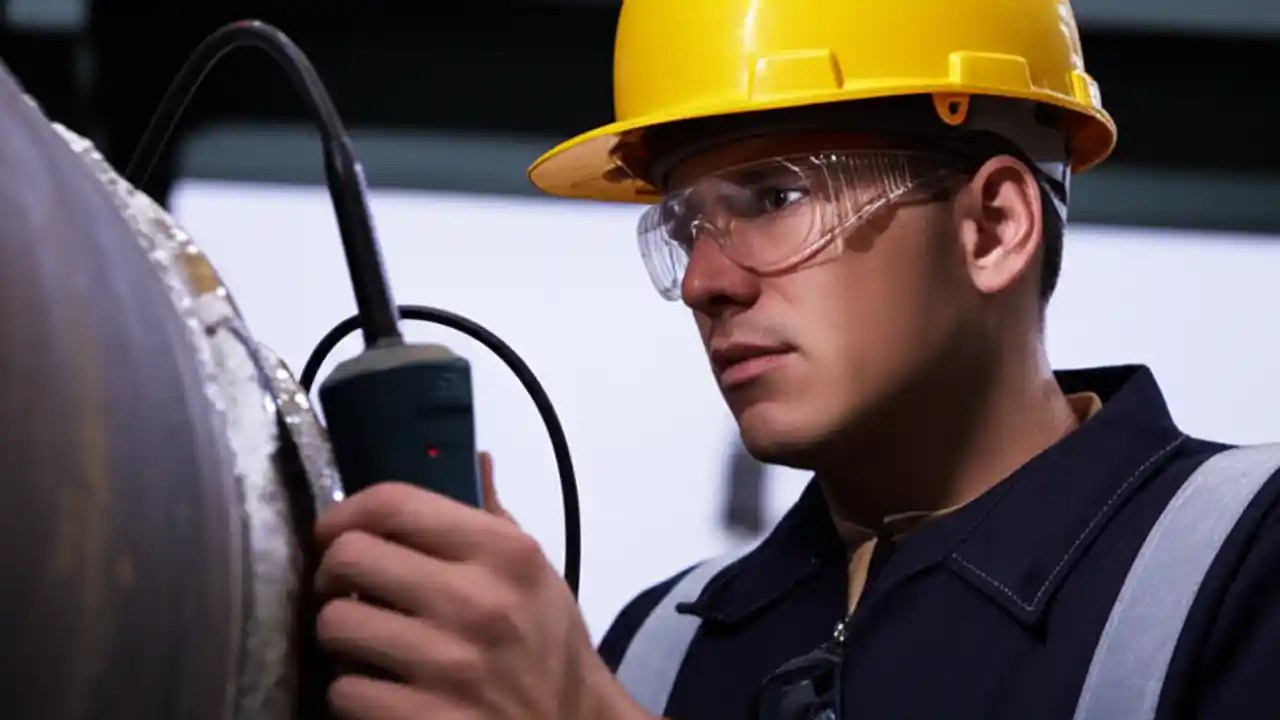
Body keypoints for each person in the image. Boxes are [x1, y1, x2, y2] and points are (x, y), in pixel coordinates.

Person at [310, 1, 1280, 718]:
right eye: (681, 225)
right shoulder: (661, 648)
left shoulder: (1242, 568)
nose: (701, 282)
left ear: (992, 226)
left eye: (773, 198)